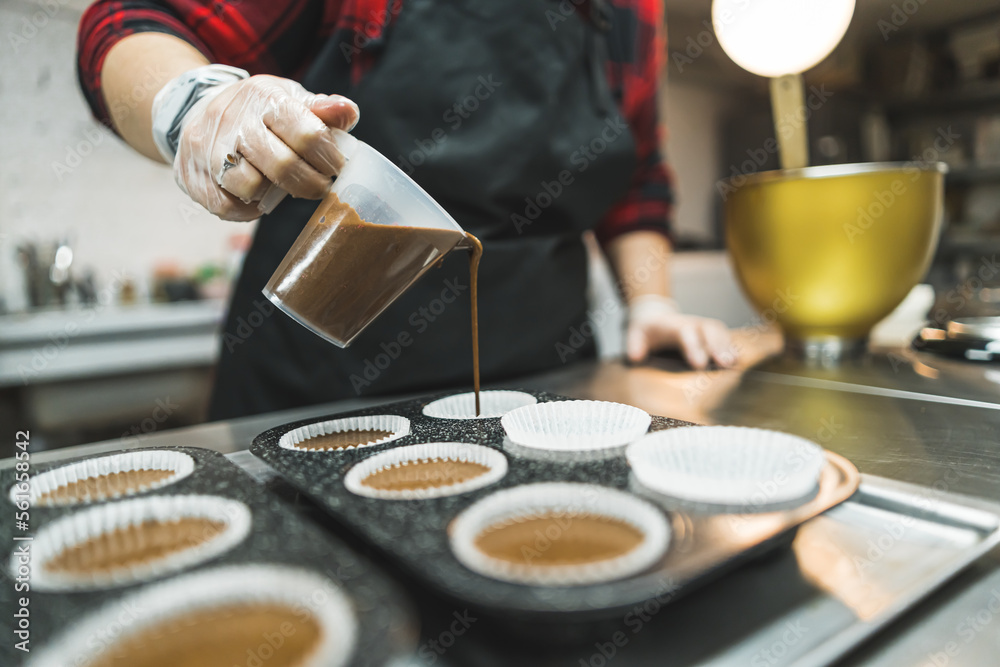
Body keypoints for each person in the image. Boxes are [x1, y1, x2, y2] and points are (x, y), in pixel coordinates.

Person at [77, 0, 734, 420]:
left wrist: (653, 304)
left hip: (548, 386)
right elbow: (132, 22)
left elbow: (635, 178)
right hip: (324, 389)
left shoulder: (634, 10)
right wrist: (201, 104)